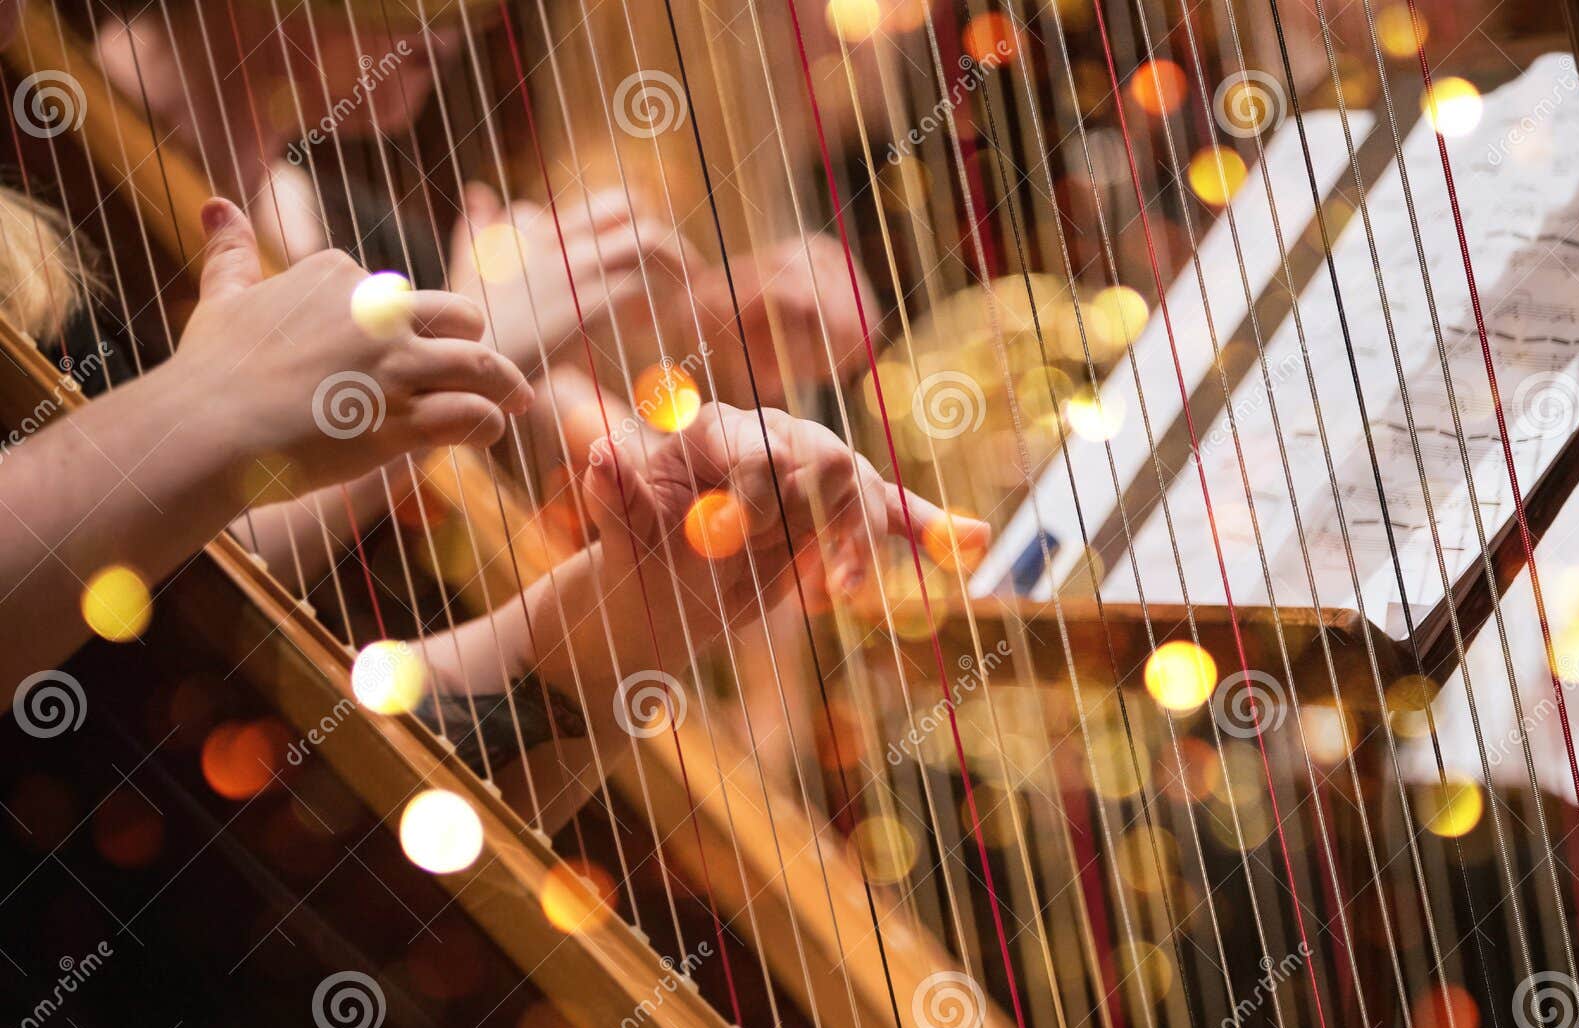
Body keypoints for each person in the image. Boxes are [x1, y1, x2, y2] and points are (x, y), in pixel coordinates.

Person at [0, 1, 985, 830]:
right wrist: (476, 350)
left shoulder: (370, 240)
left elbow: (368, 803)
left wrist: (658, 579)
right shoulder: (36, 171)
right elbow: (142, 638)